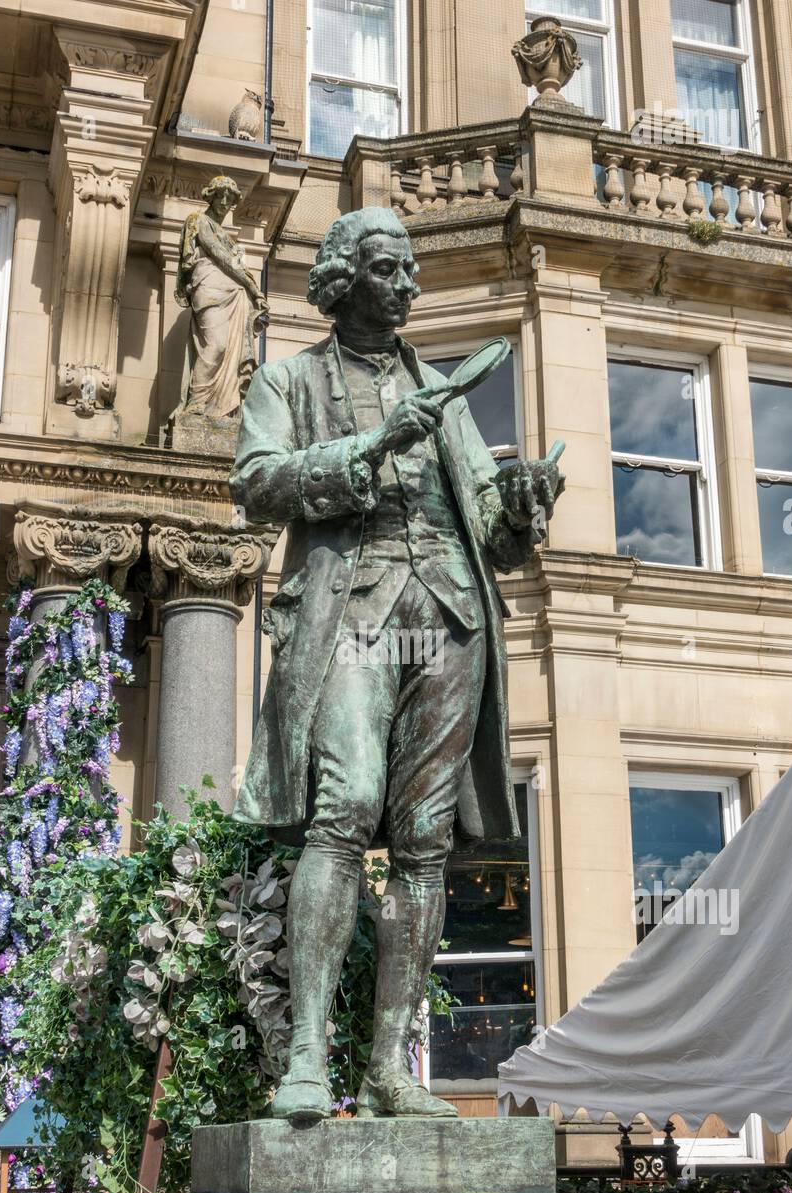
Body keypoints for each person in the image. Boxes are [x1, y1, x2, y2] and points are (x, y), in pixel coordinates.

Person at [230, 207, 562, 1120]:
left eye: (414, 269)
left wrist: (524, 507)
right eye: (390, 268)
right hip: (353, 617)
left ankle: (387, 1069)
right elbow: (256, 483)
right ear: (344, 278)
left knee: (424, 843)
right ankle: (305, 1058)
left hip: (448, 614)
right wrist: (370, 448)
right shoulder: (289, 378)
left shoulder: (444, 391)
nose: (410, 285)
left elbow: (492, 533)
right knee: (341, 810)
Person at [175, 175, 269, 419]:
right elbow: (218, 255)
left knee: (229, 349)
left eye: (230, 198)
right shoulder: (198, 221)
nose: (224, 202)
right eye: (221, 196)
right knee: (216, 344)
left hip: (231, 293)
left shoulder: (228, 237)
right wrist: (251, 285)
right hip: (208, 288)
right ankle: (197, 402)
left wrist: (249, 289)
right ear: (212, 195)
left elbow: (232, 261)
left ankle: (221, 405)